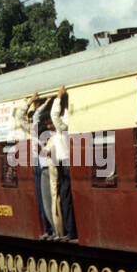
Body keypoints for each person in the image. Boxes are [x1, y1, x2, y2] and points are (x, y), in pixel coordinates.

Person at [47, 86, 77, 241]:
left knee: (66, 198)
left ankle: (71, 232)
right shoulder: (64, 123)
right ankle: (68, 230)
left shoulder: (64, 125)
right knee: (65, 197)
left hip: (66, 162)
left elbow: (53, 115)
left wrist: (58, 97)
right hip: (63, 162)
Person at [27, 93, 55, 239]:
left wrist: (46, 102)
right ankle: (48, 229)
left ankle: (52, 229)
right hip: (36, 164)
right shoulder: (32, 132)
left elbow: (37, 114)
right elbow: (21, 116)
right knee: (41, 200)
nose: (31, 122)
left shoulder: (43, 132)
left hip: (43, 164)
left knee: (48, 199)